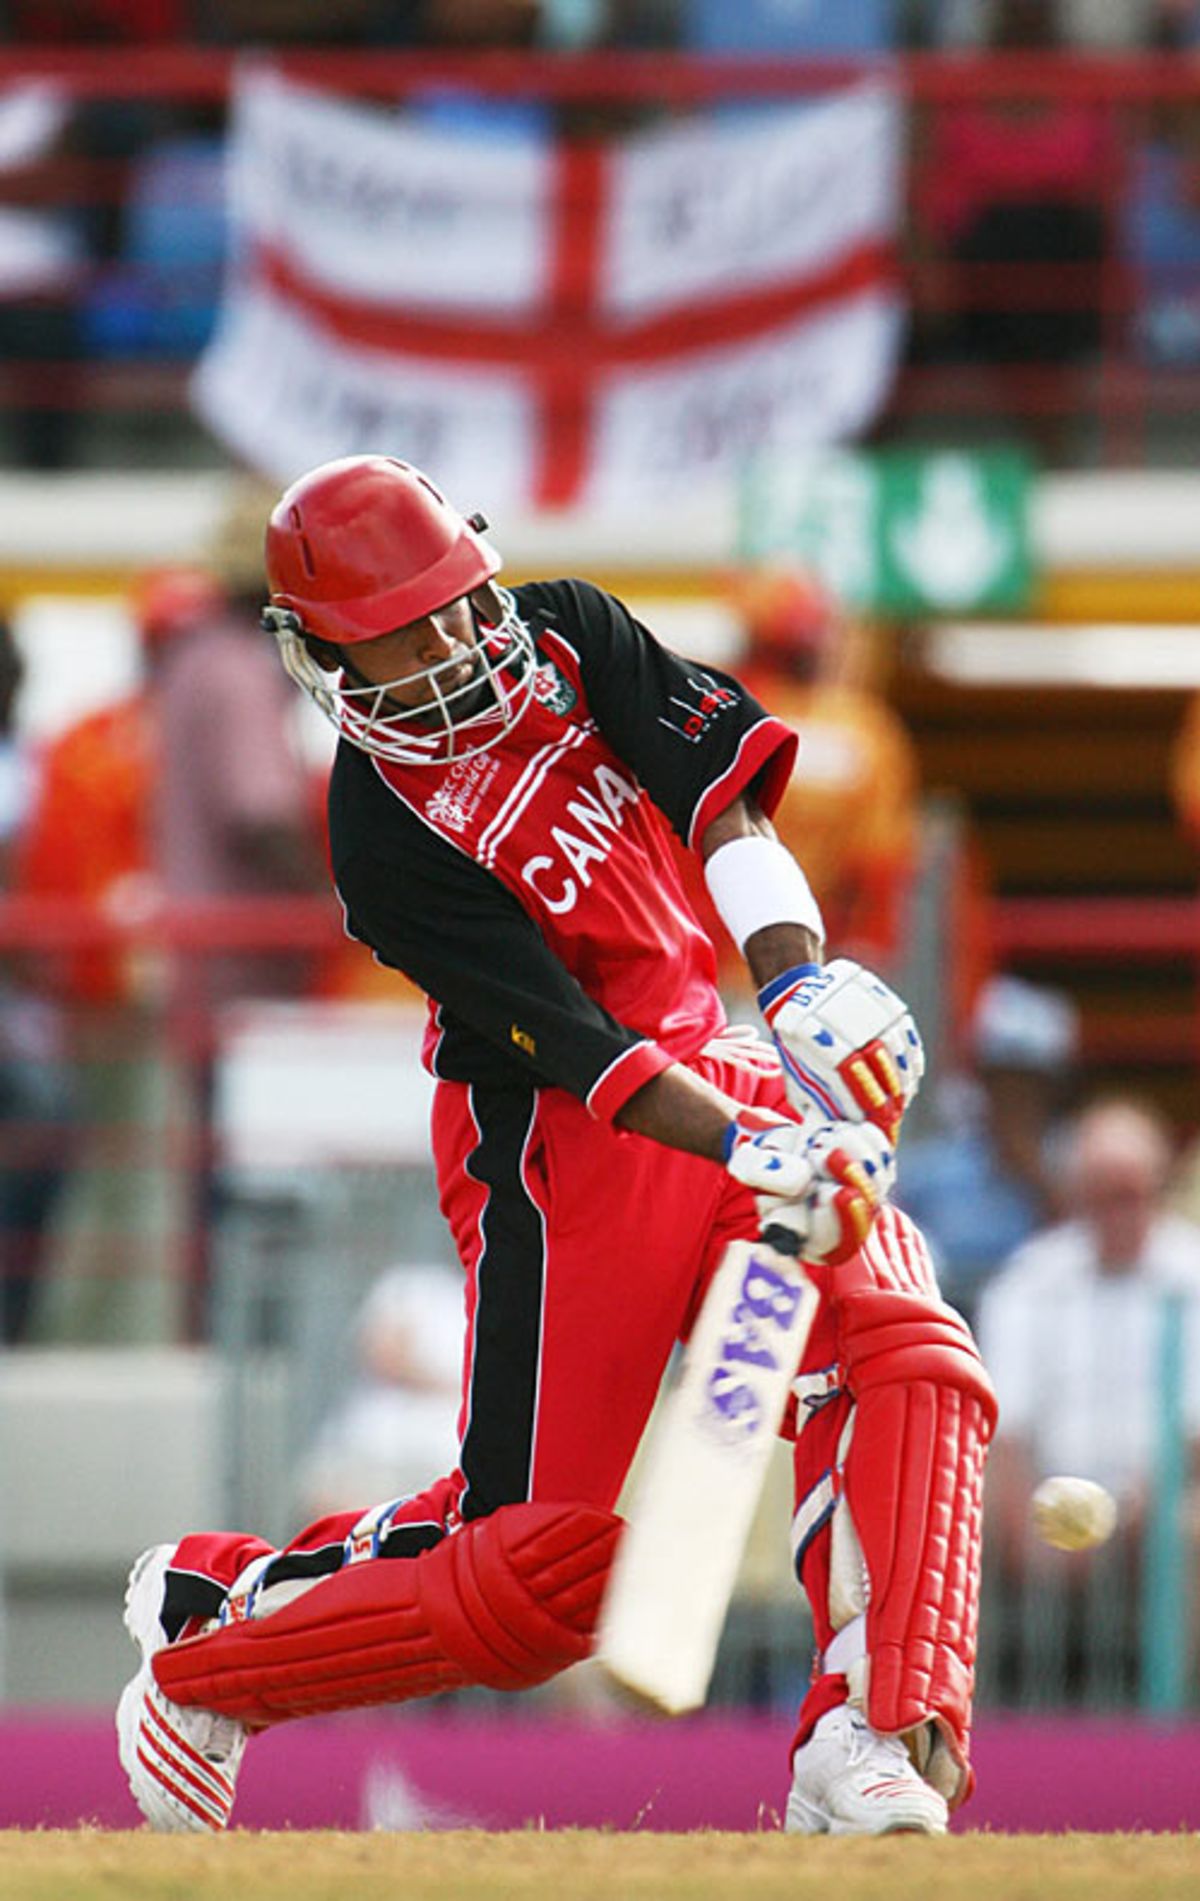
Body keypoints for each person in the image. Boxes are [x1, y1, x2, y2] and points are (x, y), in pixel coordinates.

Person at [114, 454, 995, 1838]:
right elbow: (582, 1049)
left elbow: (725, 800)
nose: (451, 643)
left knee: (902, 1341)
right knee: (536, 1575)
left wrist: (799, 984)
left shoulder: (575, 628)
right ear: (324, 654)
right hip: (551, 1141)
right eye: (401, 628)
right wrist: (752, 1143)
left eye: (455, 603)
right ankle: (214, 1649)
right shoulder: (377, 831)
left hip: (707, 1055)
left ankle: (867, 1736)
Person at [976, 1095, 1200, 1697]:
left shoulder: (1194, 1273)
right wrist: (1027, 1516)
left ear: (1158, 1186)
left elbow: (1192, 1436)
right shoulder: (1030, 1278)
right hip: (1040, 1499)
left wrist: (1130, 1517)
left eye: (1132, 1192)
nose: (1119, 1210)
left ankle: (1175, 1726)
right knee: (951, 1521)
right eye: (1103, 1193)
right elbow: (1007, 1428)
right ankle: (955, 1727)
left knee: (1190, 1527)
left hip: (1162, 1500)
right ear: (1077, 1194)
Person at [676, 565, 919, 998]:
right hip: (809, 965)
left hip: (698, 957)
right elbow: (881, 864)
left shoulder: (711, 710)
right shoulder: (863, 732)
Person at [896, 973, 1079, 1328]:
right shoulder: (930, 1173)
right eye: (1002, 1081)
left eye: (1029, 1083)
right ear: (981, 1079)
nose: (1014, 1098)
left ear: (1054, 1088)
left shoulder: (1081, 1164)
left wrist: (1036, 1177)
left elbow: (1094, 1254)